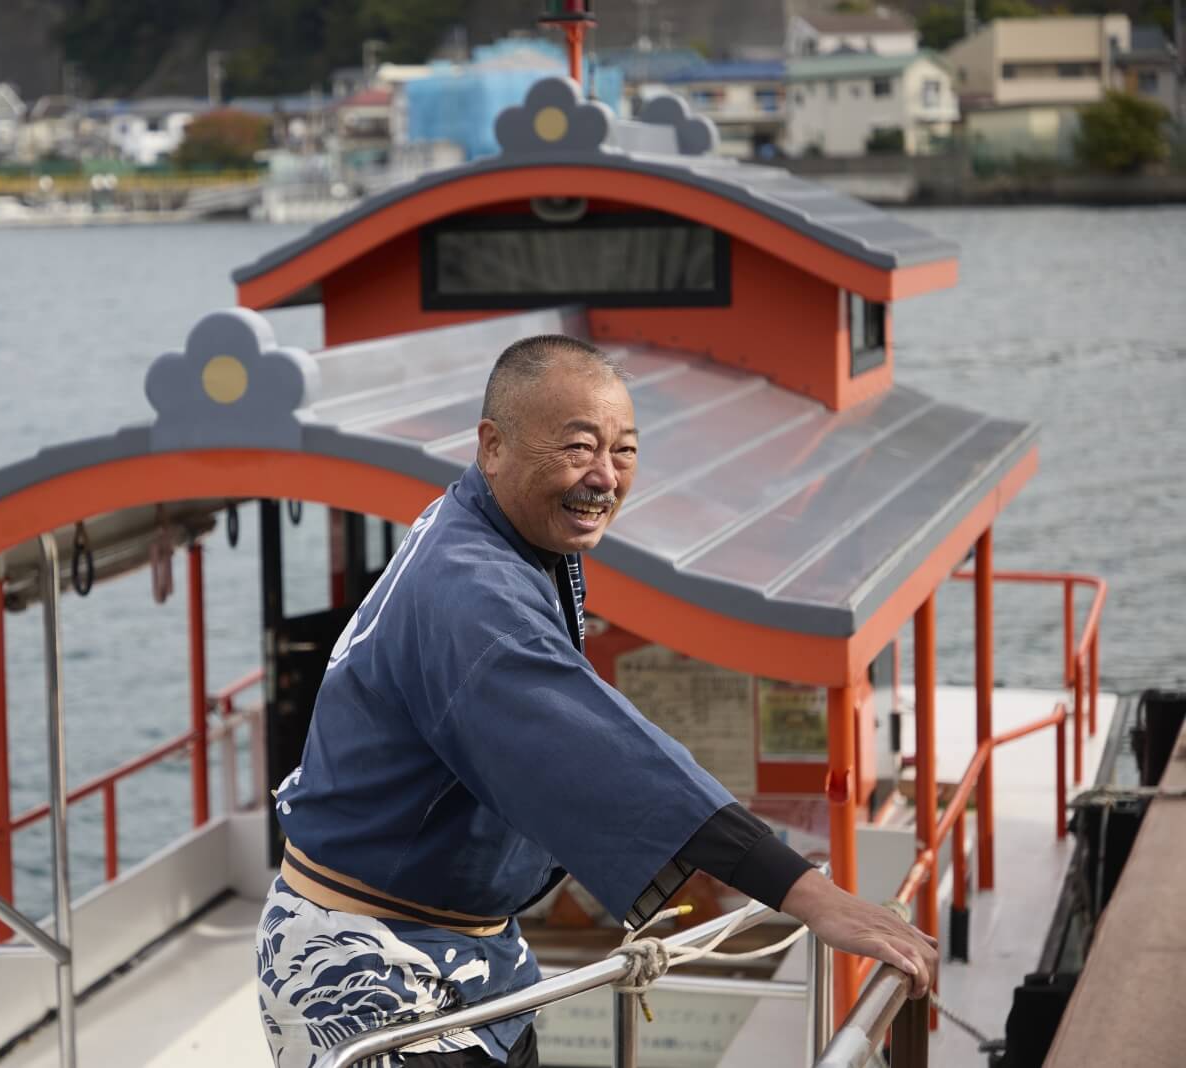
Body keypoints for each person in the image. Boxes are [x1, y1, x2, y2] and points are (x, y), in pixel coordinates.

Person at [255, 335, 938, 1068]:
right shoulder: (471, 592)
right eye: (579, 447)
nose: (605, 477)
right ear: (492, 447)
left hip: (481, 947)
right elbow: (605, 756)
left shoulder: (500, 534)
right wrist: (810, 896)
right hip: (366, 957)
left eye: (626, 451)